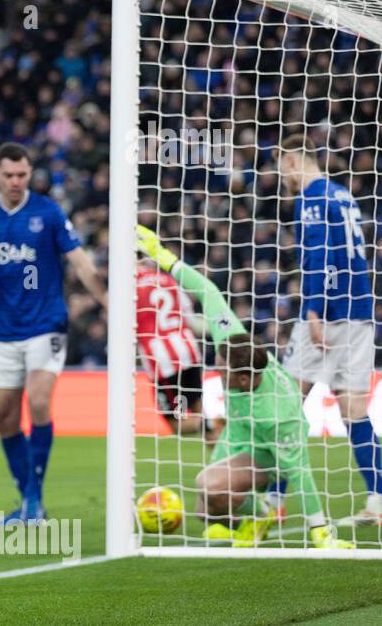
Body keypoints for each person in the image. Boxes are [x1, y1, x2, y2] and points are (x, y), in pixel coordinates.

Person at [137, 225, 354, 550]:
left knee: (206, 481)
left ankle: (262, 510)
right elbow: (207, 289)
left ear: (243, 378)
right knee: (204, 512)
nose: (218, 368)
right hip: (236, 433)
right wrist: (163, 256)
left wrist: (319, 530)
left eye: (224, 369)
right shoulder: (232, 338)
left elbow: (301, 473)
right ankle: (247, 515)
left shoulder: (278, 411)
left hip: (266, 453)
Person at [0, 142, 107, 522]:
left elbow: (81, 264)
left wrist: (108, 301)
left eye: (22, 175)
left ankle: (33, 500)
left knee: (37, 400)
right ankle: (29, 501)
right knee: (4, 415)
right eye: (9, 175)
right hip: (2, 331)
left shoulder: (48, 212)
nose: (16, 181)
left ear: (30, 174)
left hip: (46, 323)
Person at [277, 136, 380, 527]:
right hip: (360, 311)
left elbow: (319, 258)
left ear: (291, 161)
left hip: (329, 314)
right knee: (354, 411)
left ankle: (274, 498)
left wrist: (314, 312)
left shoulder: (312, 198)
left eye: (281, 167)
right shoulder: (343, 195)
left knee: (284, 405)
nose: (281, 176)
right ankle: (379, 498)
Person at [136, 256, 216, 438]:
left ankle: (214, 422)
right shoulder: (168, 281)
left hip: (162, 360)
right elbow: (192, 322)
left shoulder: (129, 286)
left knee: (175, 424)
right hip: (188, 350)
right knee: (197, 408)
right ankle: (220, 459)